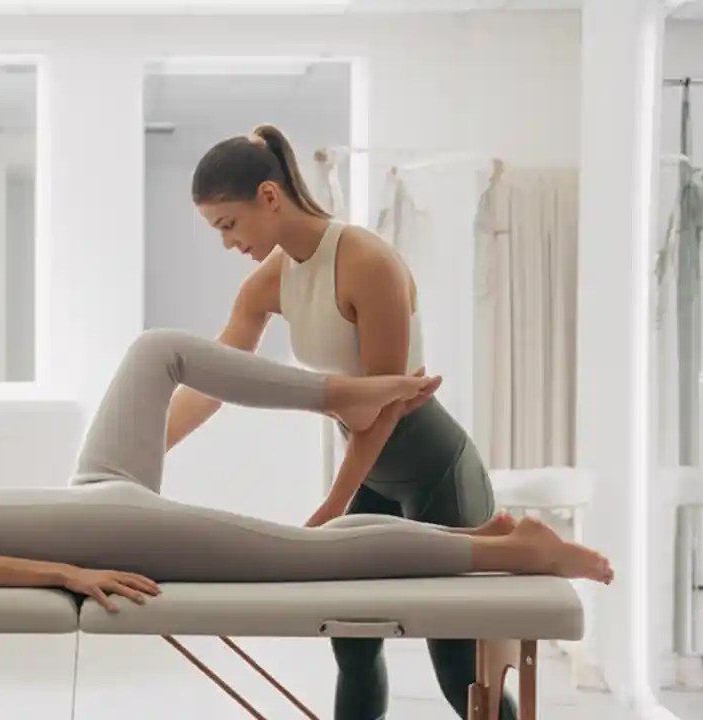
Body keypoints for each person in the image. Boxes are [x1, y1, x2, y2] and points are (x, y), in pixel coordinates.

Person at [0, 329, 613, 619]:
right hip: (89, 535)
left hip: (87, 499)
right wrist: (63, 576)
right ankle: (496, 547)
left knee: (156, 354)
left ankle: (337, 396)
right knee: (298, 555)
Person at [174, 125, 519, 719]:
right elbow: (216, 378)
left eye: (228, 225)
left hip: (437, 471)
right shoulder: (269, 282)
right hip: (374, 474)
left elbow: (385, 408)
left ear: (269, 197)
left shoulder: (367, 262)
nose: (228, 243)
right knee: (353, 641)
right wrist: (147, 445)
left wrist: (333, 506)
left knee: (457, 664)